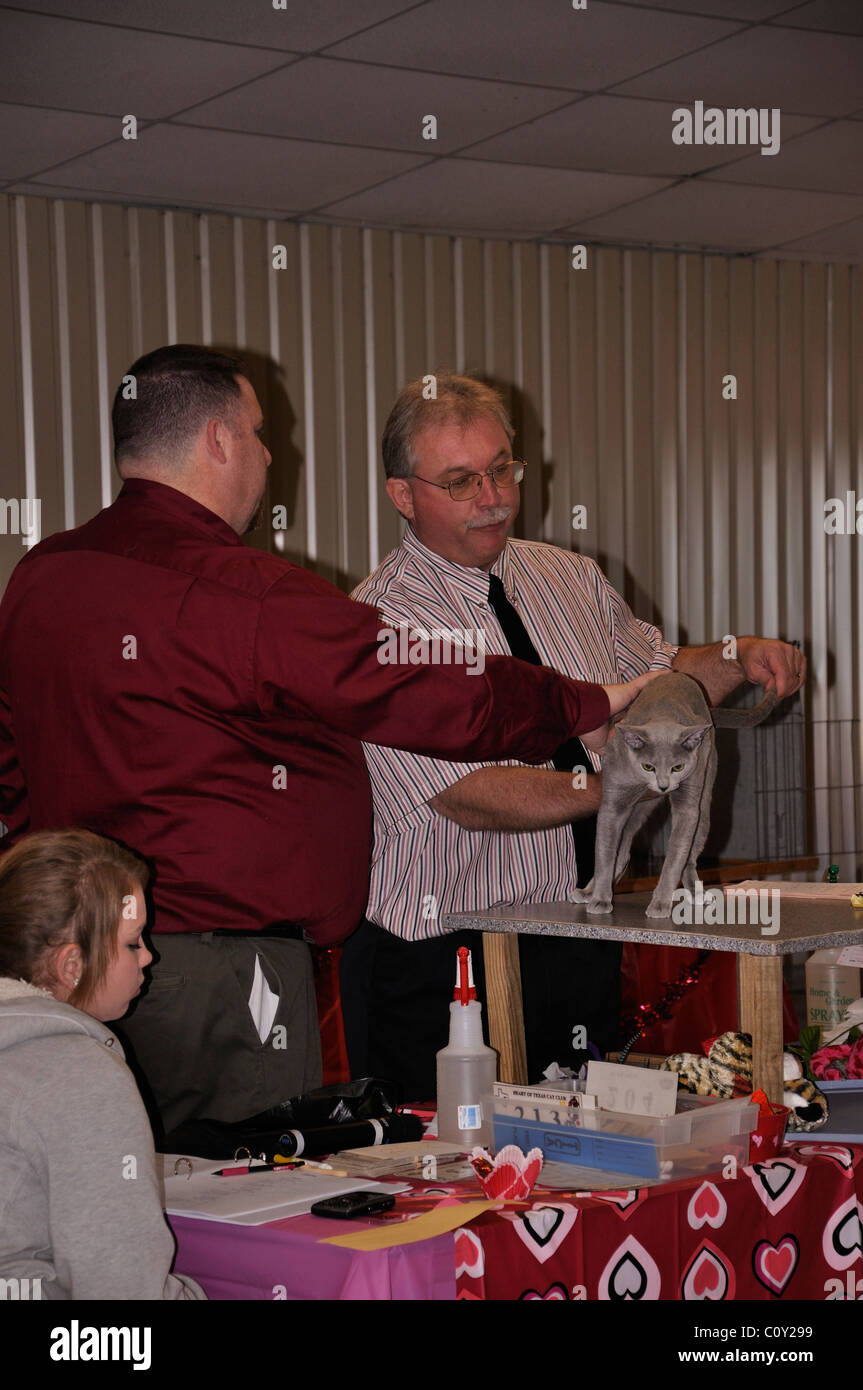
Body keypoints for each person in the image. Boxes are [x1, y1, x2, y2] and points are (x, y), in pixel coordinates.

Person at [0, 344, 647, 1134]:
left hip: (78, 961)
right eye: (261, 432)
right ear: (218, 441)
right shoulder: (245, 593)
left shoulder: (42, 577)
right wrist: (582, 701)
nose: (273, 455)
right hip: (223, 976)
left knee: (113, 1173)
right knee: (244, 1193)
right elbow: (425, 686)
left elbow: (10, 761)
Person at [343, 372, 807, 1096]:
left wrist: (733, 657)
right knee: (447, 1183)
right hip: (438, 958)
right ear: (402, 494)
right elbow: (464, 794)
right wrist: (611, 791)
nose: (492, 496)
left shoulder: (570, 578)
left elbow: (660, 680)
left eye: (503, 469)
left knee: (577, 1171)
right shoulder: (377, 624)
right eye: (461, 481)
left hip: (572, 936)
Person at [0, 829, 205, 1300]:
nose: (149, 956)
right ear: (72, 966)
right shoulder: (80, 1073)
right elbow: (122, 1289)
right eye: (133, 943)